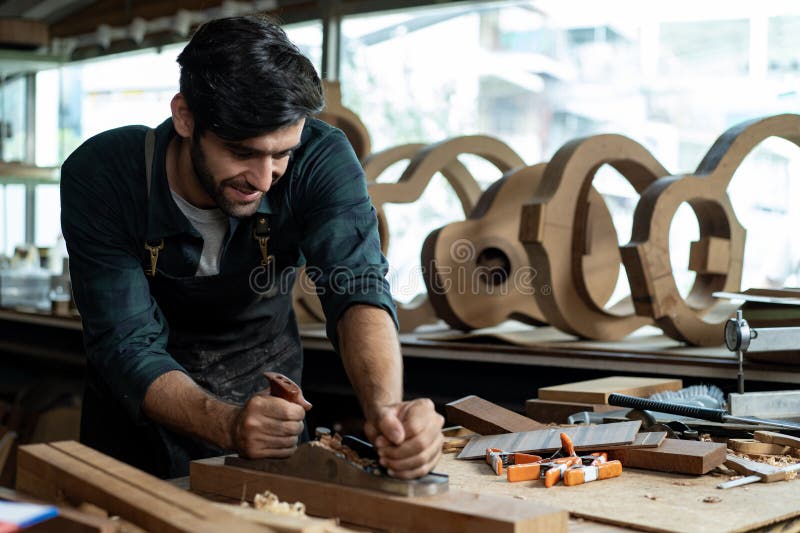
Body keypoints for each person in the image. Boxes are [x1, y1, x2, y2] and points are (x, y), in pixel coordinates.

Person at [60, 14, 443, 479]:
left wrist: (389, 413)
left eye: (281, 153)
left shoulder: (321, 159)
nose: (263, 180)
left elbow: (356, 284)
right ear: (185, 116)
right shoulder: (105, 175)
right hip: (133, 424)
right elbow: (125, 343)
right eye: (242, 152)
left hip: (264, 401)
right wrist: (225, 423)